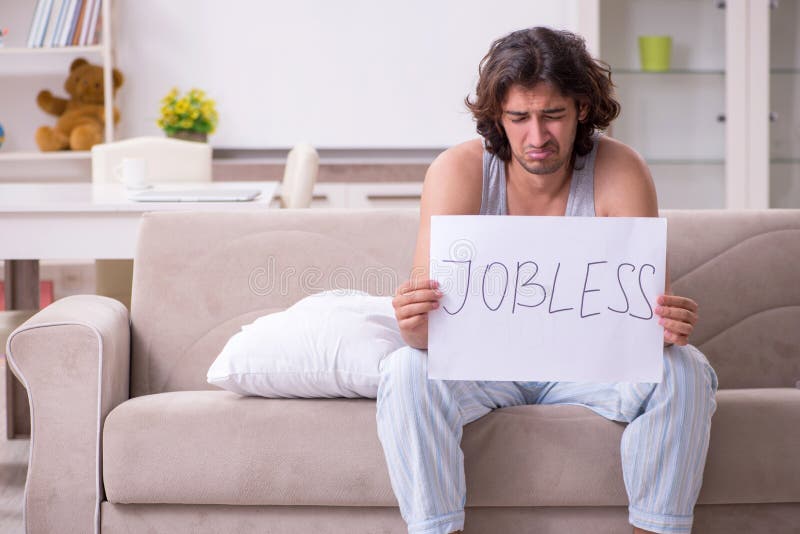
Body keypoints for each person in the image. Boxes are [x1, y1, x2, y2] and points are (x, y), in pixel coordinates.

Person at [377, 27, 718, 534]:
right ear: (498, 117)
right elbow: (425, 336)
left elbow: (647, 330)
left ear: (582, 108)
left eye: (553, 116)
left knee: (686, 368)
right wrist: (411, 322)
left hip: (586, 370)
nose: (537, 138)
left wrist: (669, 324)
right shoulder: (458, 170)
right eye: (519, 118)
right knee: (404, 369)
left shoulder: (620, 169)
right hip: (485, 368)